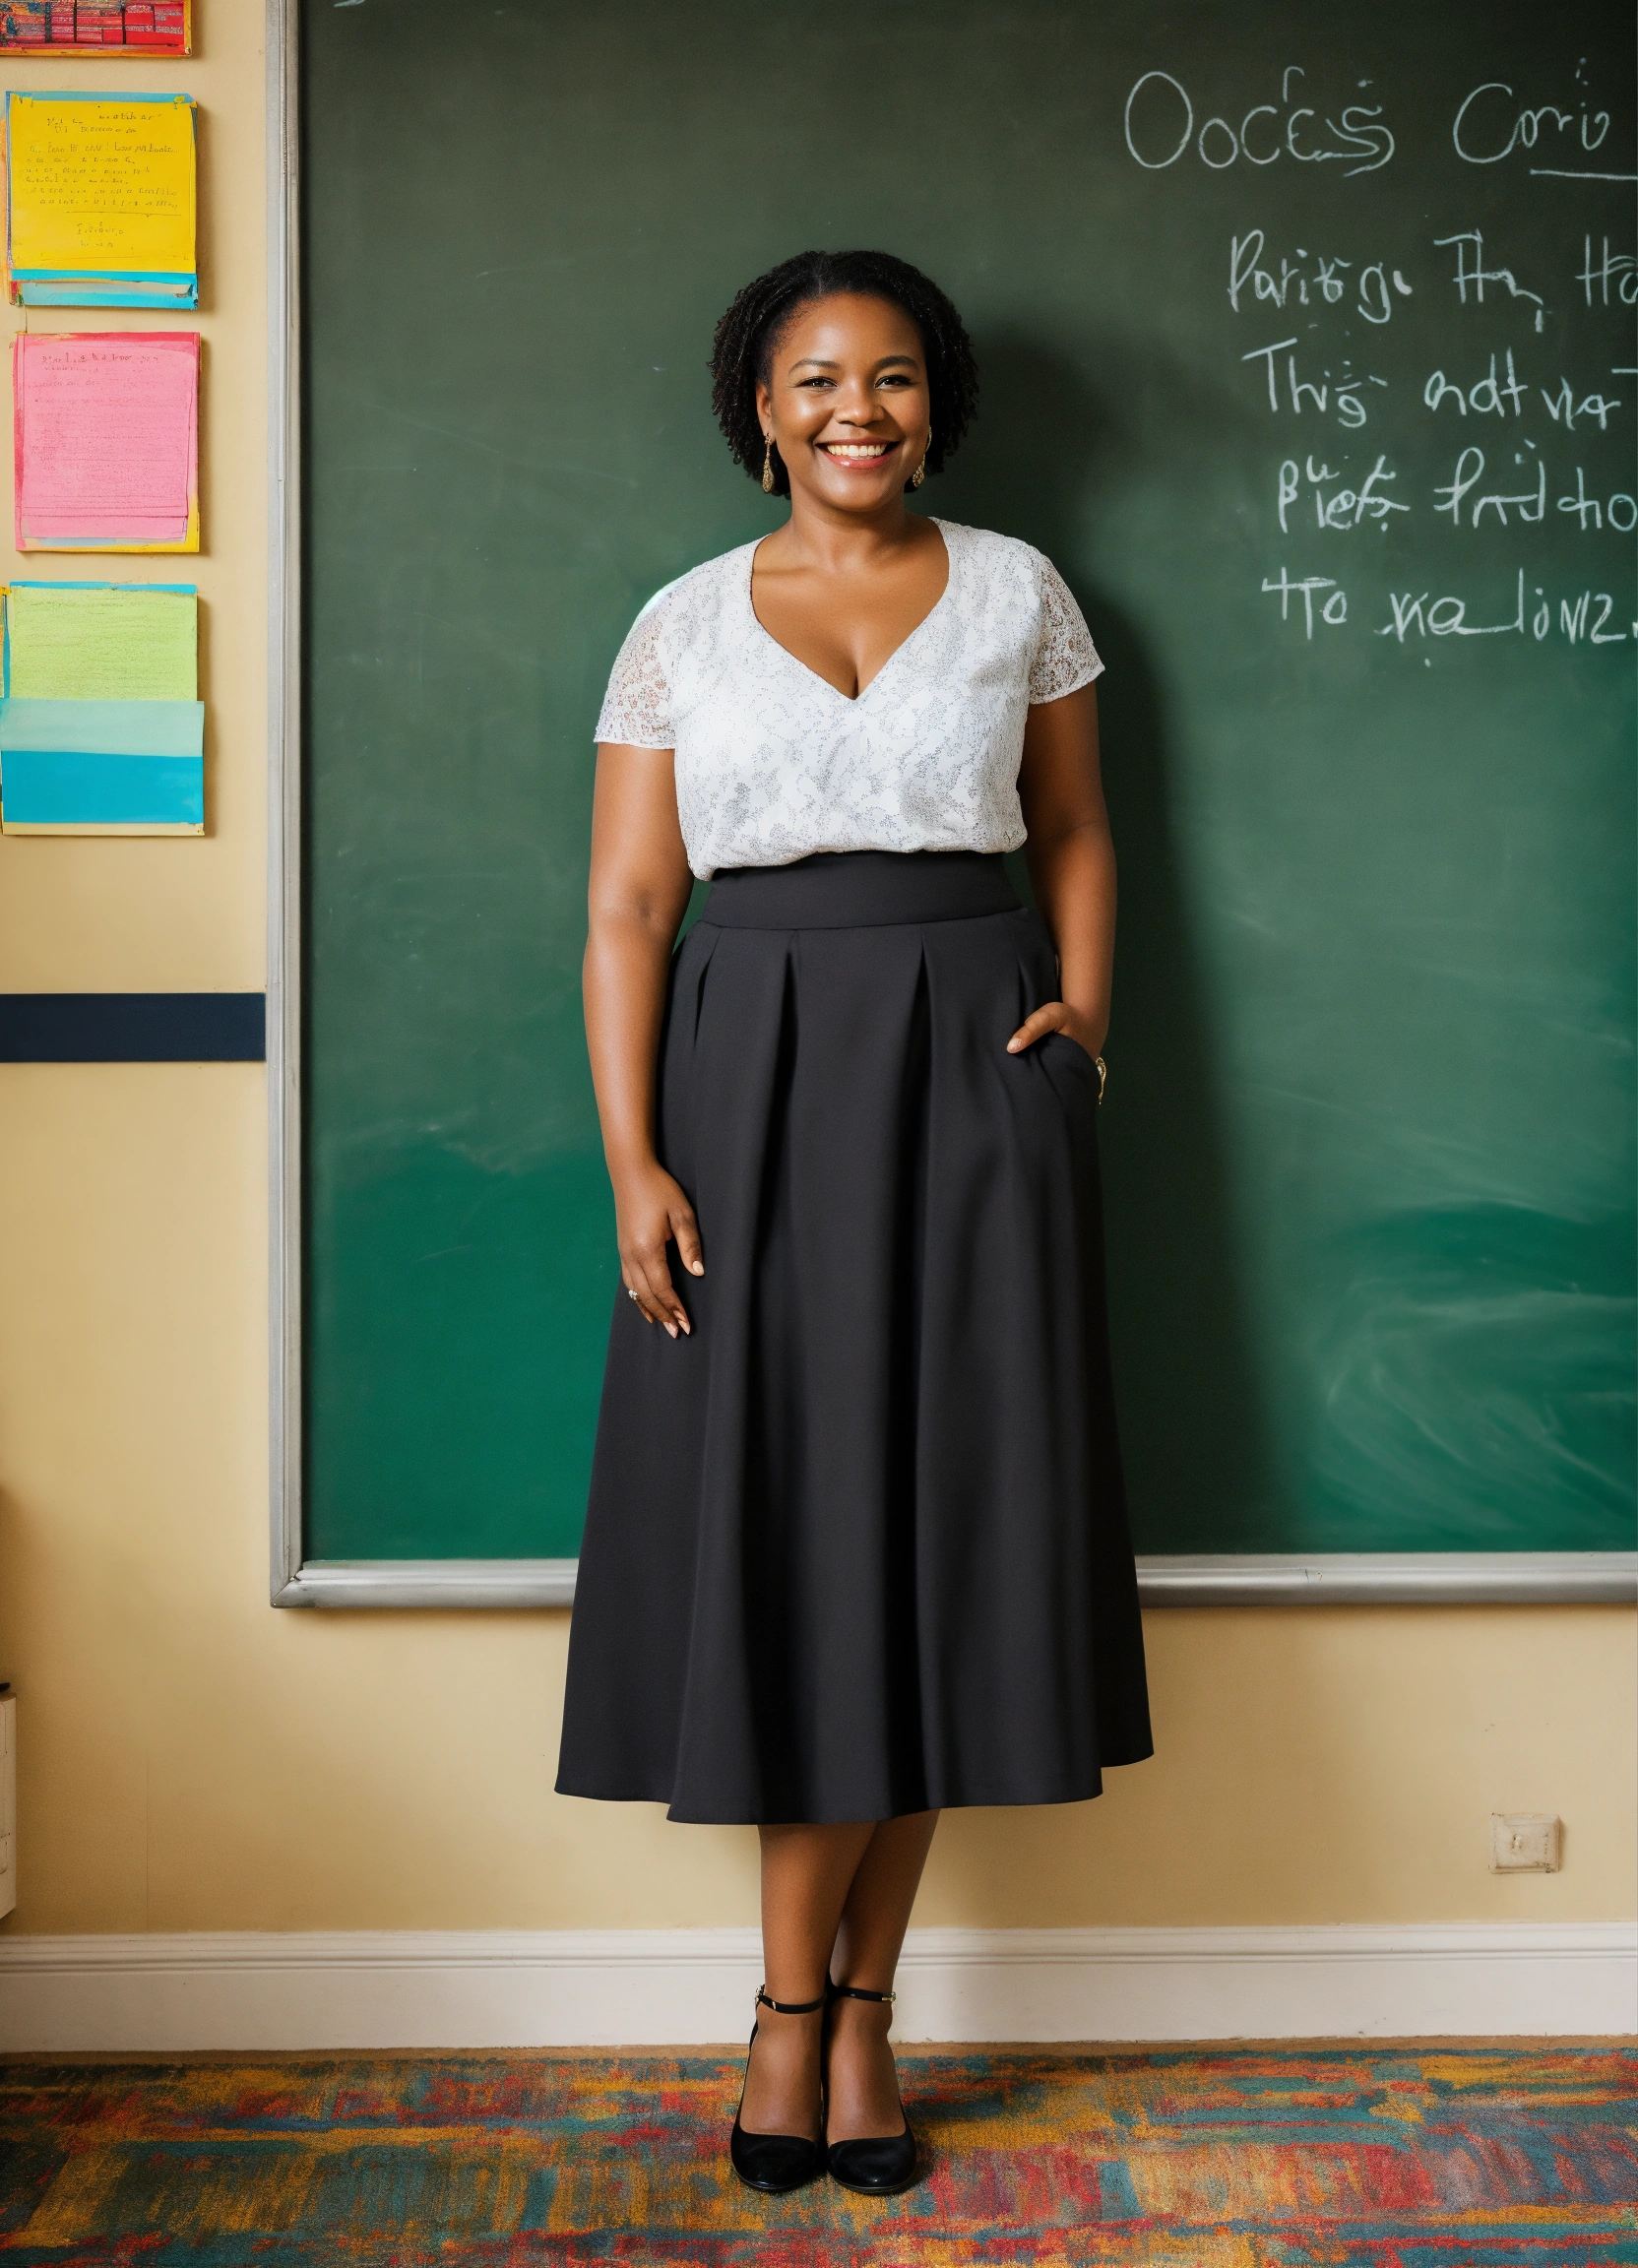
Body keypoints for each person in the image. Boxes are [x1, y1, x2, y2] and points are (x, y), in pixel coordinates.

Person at [556, 248, 1151, 2197]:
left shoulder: (1020, 594)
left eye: (892, 376)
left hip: (975, 1082)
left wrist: (1083, 1021)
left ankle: (849, 2016)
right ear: (760, 406)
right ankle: (791, 2009)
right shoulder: (672, 628)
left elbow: (1070, 828)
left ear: (934, 401)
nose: (856, 408)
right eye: (817, 377)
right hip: (749, 1093)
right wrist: (635, 1158)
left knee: (938, 1549)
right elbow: (632, 912)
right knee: (798, 1548)